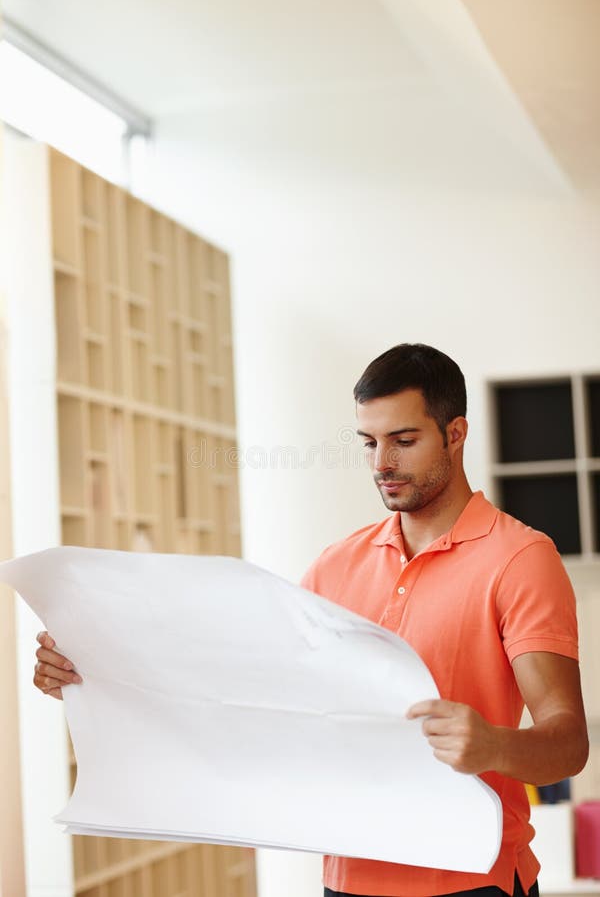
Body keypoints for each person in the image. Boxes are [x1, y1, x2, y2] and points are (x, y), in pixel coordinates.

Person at [34, 343, 588, 897]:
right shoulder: (334, 565)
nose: (382, 464)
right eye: (369, 443)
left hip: (475, 879)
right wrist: (94, 678)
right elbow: (245, 700)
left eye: (404, 441)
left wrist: (493, 746)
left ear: (456, 433)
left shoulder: (519, 558)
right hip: (348, 878)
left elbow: (567, 743)